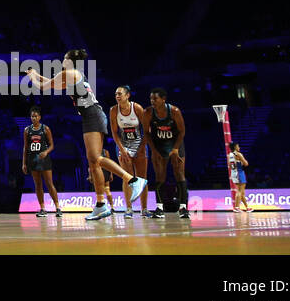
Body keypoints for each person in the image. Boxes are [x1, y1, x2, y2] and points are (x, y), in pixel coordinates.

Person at [27, 51, 146, 221]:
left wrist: (32, 77)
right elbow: (50, 83)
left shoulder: (68, 73)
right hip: (91, 115)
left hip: (92, 115)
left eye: (65, 58)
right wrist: (35, 73)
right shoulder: (73, 75)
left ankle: (133, 180)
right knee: (93, 162)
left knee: (96, 158)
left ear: (69, 61)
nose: (62, 60)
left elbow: (43, 87)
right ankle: (100, 205)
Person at [141, 88, 189, 218]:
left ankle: (183, 208)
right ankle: (159, 208)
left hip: (175, 144)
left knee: (179, 173)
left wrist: (175, 149)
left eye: (155, 99)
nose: (152, 101)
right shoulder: (147, 113)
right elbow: (146, 133)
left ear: (163, 99)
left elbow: (182, 132)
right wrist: (154, 150)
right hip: (159, 145)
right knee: (160, 176)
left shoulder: (174, 111)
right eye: (151, 98)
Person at [110, 86, 150, 217]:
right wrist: (122, 149)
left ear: (128, 95)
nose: (117, 96)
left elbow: (147, 131)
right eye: (116, 94)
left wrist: (141, 148)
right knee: (127, 178)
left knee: (142, 178)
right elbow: (114, 133)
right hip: (123, 145)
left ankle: (144, 209)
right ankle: (129, 209)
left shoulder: (137, 108)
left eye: (120, 94)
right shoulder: (113, 110)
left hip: (139, 144)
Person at [23, 106, 61, 217]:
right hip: (33, 159)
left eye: (35, 116)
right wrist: (24, 163)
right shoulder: (27, 130)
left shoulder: (45, 129)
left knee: (49, 183)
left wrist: (46, 152)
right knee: (38, 184)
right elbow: (25, 147)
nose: (33, 118)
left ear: (39, 117)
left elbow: (52, 145)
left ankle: (58, 207)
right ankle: (43, 208)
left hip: (44, 160)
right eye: (32, 116)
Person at [230, 143, 252, 212]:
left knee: (241, 192)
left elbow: (230, 165)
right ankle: (237, 207)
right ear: (235, 147)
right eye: (238, 146)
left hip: (233, 173)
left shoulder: (230, 155)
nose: (239, 147)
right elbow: (246, 164)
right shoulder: (238, 154)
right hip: (239, 172)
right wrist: (243, 162)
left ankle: (247, 207)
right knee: (239, 191)